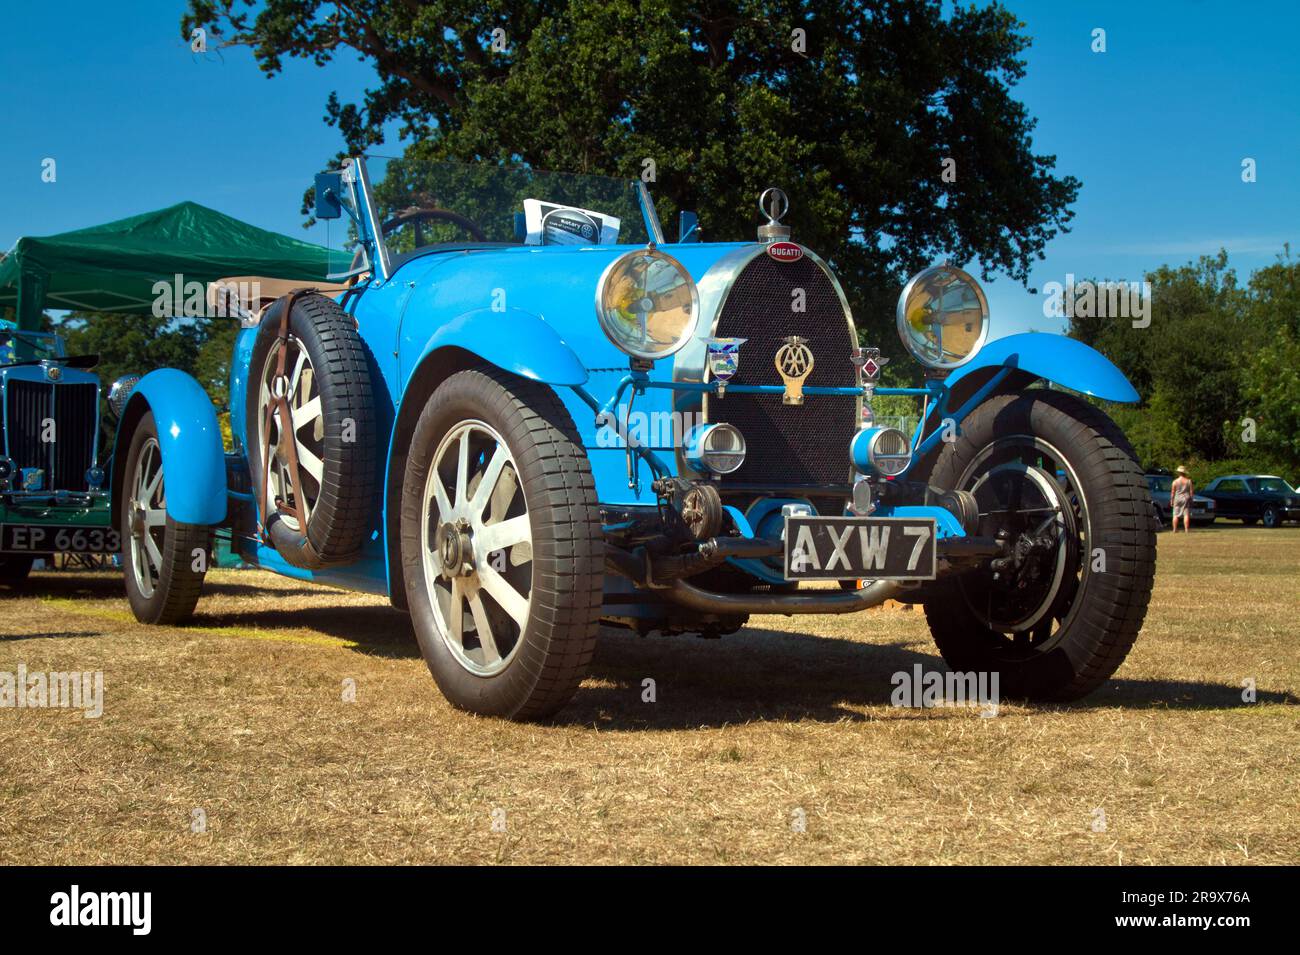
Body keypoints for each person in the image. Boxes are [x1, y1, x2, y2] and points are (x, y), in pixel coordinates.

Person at [1170, 465, 1194, 533]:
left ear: (1179, 473)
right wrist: (1191, 500)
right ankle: (1186, 529)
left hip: (1177, 498)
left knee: (1175, 514)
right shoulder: (1189, 481)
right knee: (1186, 514)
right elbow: (1191, 492)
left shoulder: (1175, 481)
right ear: (1185, 472)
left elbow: (1172, 492)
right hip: (1186, 498)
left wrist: (1171, 500)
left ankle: (1174, 529)